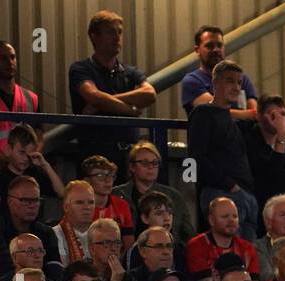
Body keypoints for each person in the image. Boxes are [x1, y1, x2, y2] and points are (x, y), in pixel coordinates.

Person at [67, 9, 157, 168]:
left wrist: (102, 103)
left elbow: (149, 94)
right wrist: (129, 110)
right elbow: (93, 95)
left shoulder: (131, 72)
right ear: (94, 37)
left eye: (119, 32)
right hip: (95, 159)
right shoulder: (81, 69)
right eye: (110, 33)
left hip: (128, 158)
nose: (117, 38)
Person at [188, 61, 259, 242]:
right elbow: (196, 159)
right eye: (230, 81)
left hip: (245, 195)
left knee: (247, 256)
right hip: (222, 193)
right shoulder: (202, 114)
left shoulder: (231, 119)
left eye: (239, 82)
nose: (236, 87)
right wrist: (230, 186)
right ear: (215, 83)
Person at [113, 141, 193, 242]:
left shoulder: (173, 196)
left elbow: (188, 235)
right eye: (145, 163)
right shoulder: (117, 194)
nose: (150, 167)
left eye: (155, 163)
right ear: (132, 167)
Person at [186, 197, 261, 281]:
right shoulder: (197, 245)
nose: (231, 220)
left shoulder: (247, 248)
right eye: (225, 216)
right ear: (211, 220)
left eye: (235, 216)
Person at [245, 95, 285, 214]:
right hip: (260, 202)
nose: (279, 120)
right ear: (260, 116)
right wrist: (281, 138)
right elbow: (270, 177)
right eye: (273, 115)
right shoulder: (250, 139)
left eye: (282, 115)